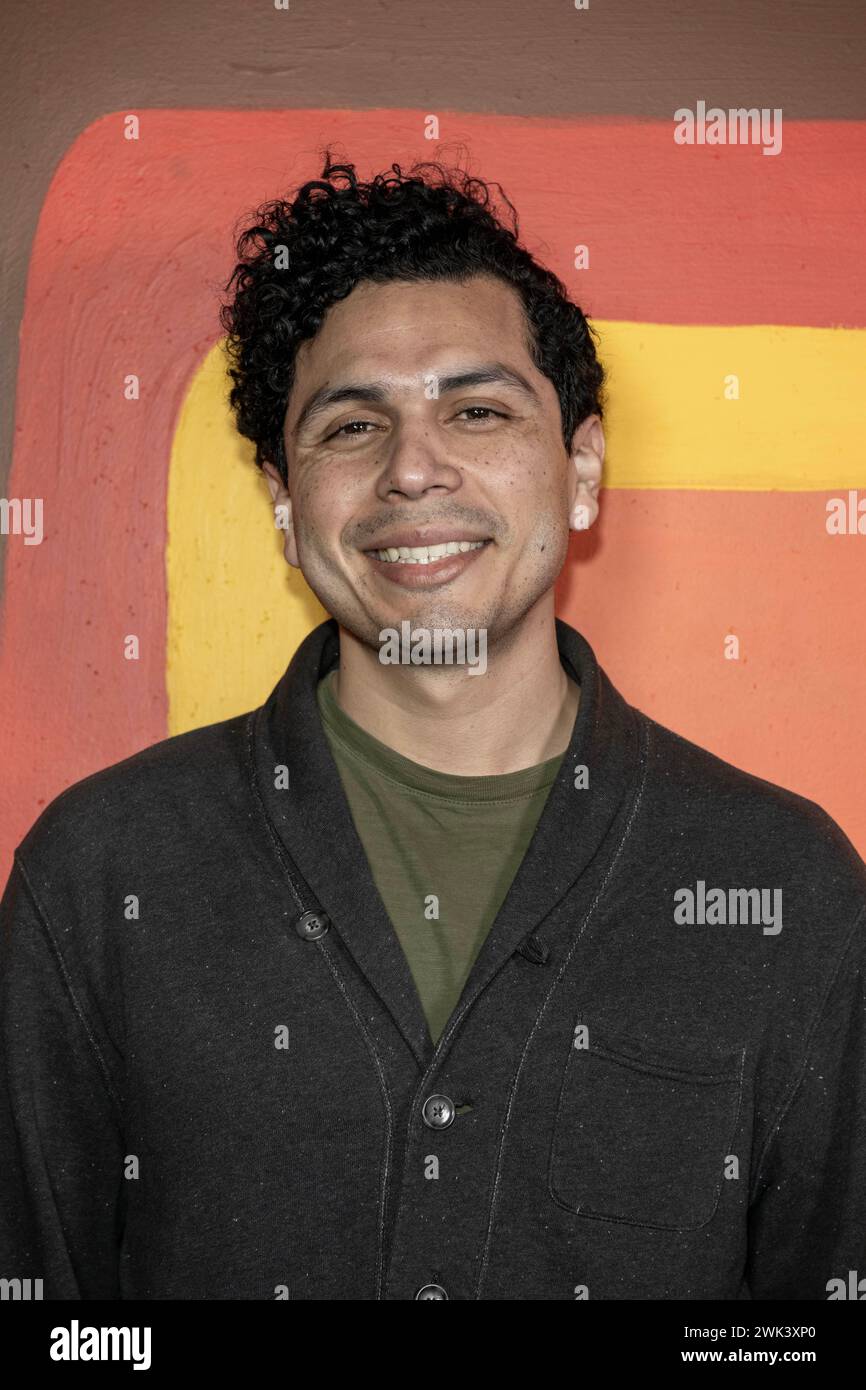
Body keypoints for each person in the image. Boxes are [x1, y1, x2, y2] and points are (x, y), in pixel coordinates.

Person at [1, 153, 864, 1301]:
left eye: (477, 410)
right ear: (282, 500)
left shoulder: (784, 886)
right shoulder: (100, 872)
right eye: (350, 427)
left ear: (581, 470)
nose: (414, 468)